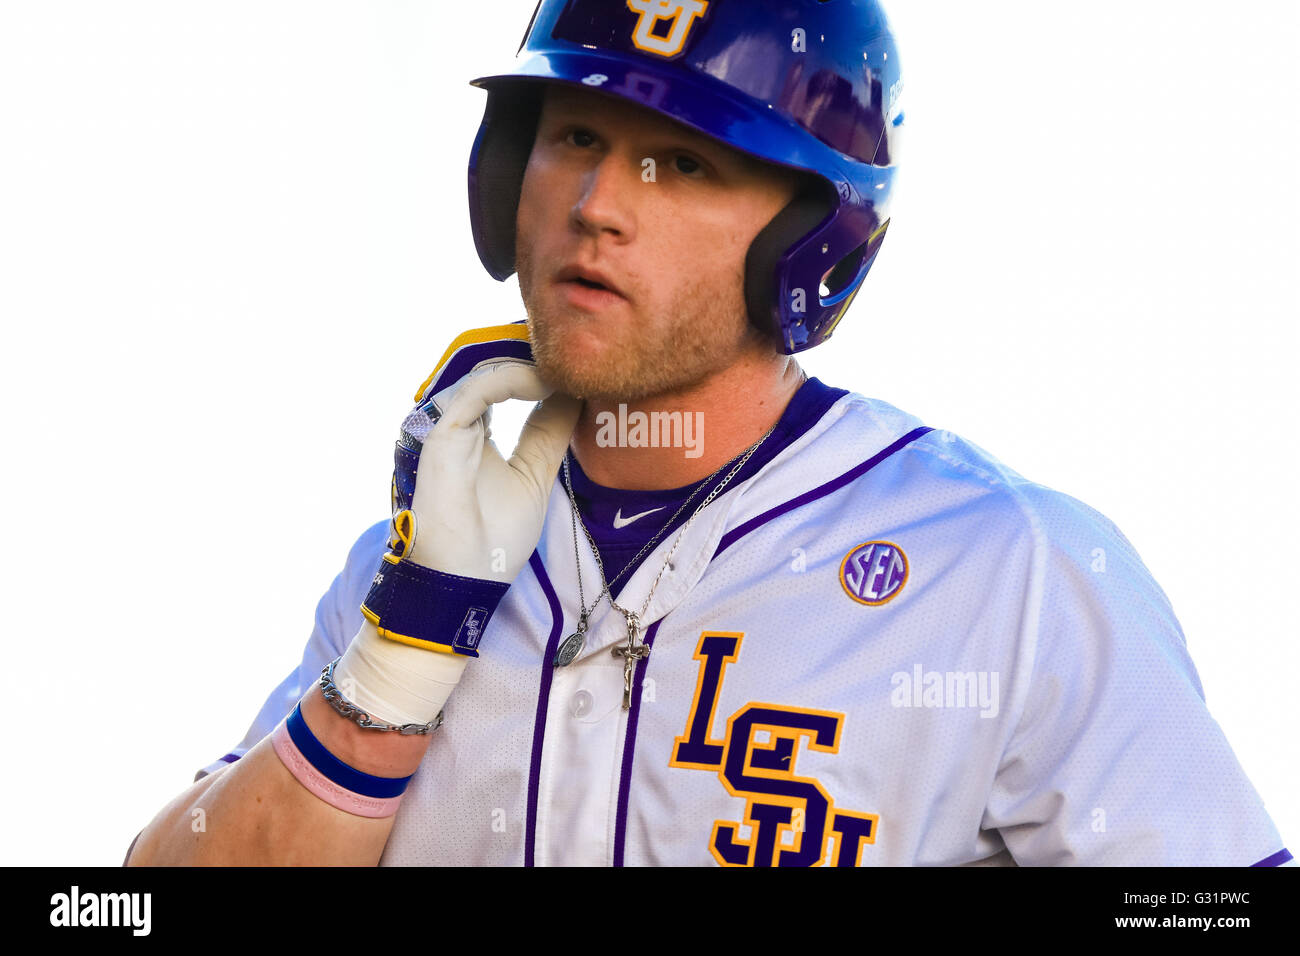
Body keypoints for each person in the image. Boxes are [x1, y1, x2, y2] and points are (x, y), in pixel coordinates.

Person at [127, 0, 1290, 867]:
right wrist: (410, 638)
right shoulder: (415, 563)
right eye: (574, 137)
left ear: (806, 237)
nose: (597, 205)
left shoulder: (1005, 568)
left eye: (678, 162)